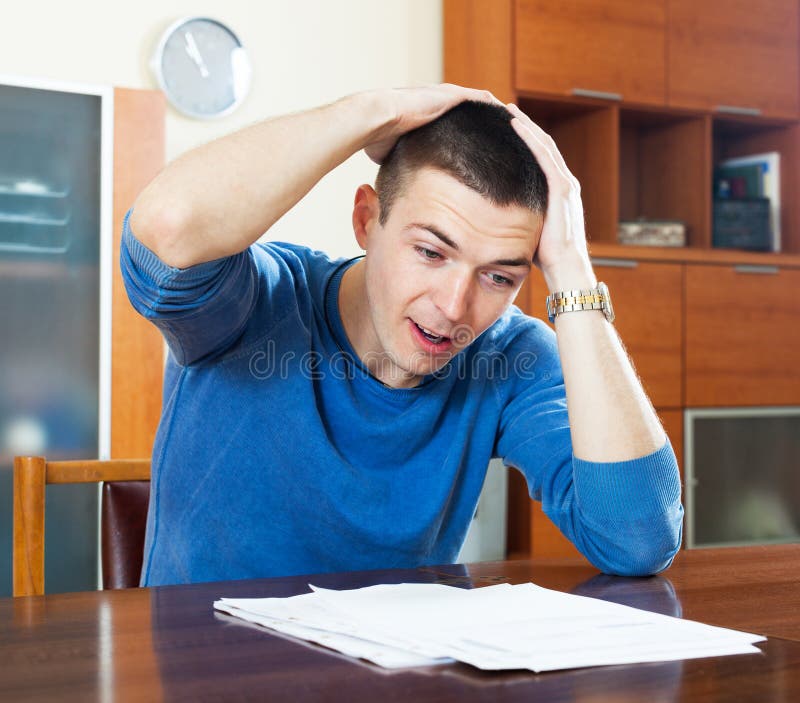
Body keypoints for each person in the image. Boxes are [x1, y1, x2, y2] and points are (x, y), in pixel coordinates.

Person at [122, 84, 682, 586]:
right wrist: (367, 112)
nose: (453, 305)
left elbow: (639, 539)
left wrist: (572, 268)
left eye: (499, 276)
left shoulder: (510, 356)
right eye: (431, 252)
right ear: (367, 220)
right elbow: (168, 226)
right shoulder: (256, 299)